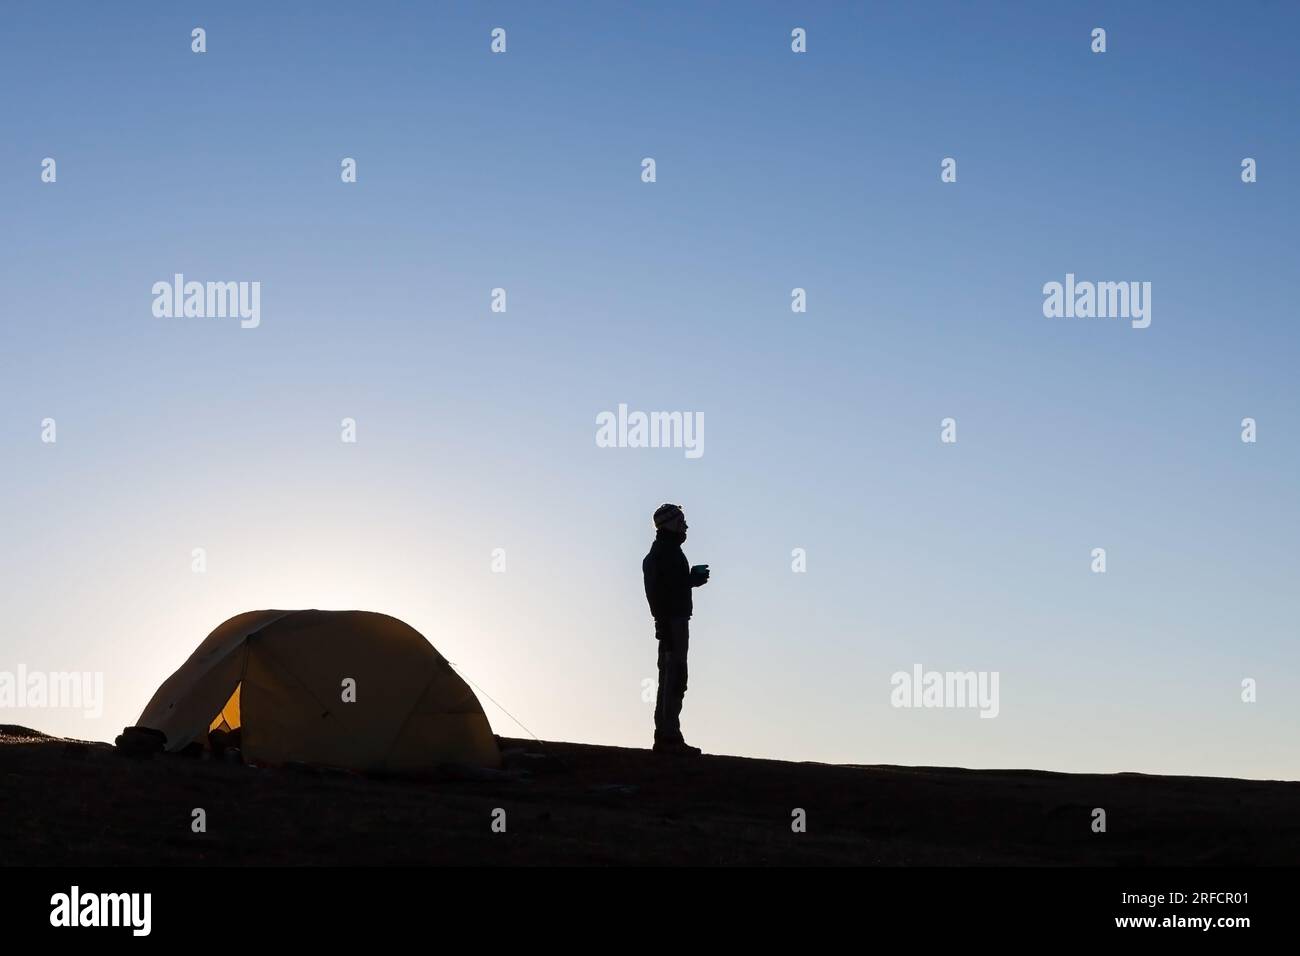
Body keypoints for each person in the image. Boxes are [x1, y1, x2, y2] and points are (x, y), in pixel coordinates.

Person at [642, 503, 710, 755]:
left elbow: (669, 586)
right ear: (670, 524)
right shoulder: (665, 553)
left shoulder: (665, 552)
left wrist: (689, 581)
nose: (685, 526)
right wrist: (664, 625)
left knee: (671, 676)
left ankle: (668, 735)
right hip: (673, 622)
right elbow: (662, 591)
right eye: (681, 521)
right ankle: (668, 737)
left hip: (672, 621)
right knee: (674, 676)